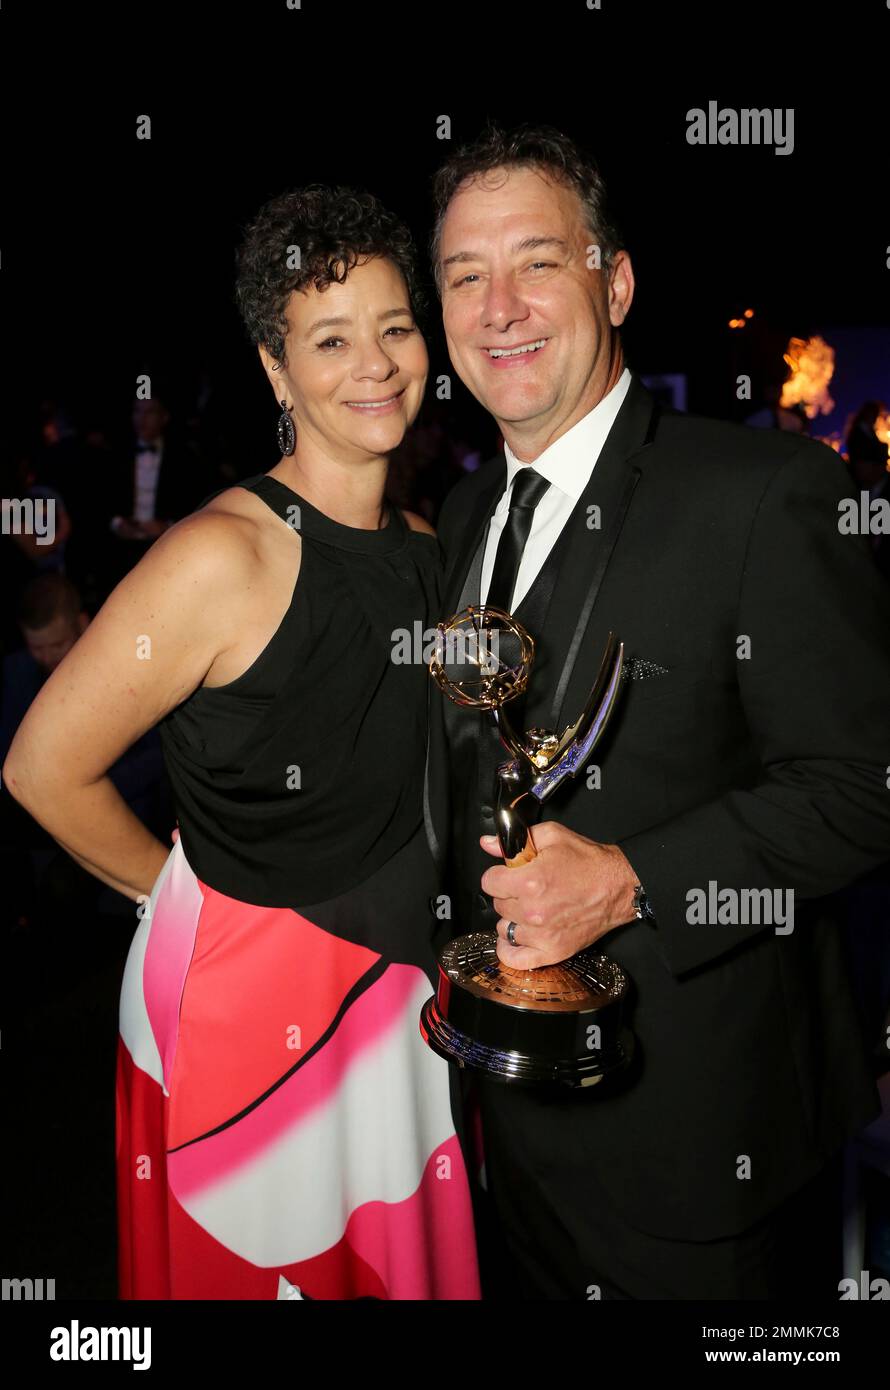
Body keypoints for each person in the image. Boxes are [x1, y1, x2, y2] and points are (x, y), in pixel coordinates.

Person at [423, 123, 890, 1300]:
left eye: (537, 260)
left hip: (701, 1150)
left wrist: (632, 875)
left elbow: (858, 791)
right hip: (503, 1114)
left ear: (613, 281)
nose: (498, 306)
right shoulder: (466, 511)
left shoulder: (765, 492)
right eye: (463, 275)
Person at [2, 185, 480, 1300]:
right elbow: (40, 767)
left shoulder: (423, 545)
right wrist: (180, 900)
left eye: (394, 327)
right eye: (329, 339)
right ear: (275, 370)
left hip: (398, 985)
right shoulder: (222, 555)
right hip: (247, 1007)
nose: (374, 363)